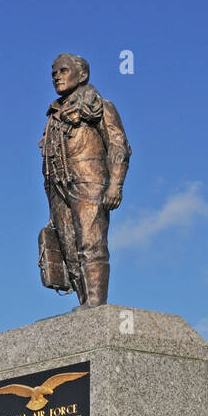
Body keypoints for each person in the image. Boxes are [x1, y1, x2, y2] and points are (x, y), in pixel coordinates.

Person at [39, 54, 130, 307]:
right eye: (54, 72)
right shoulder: (55, 115)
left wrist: (115, 184)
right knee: (69, 248)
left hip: (89, 180)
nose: (57, 75)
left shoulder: (100, 106)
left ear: (82, 76)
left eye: (63, 70)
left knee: (91, 243)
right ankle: (84, 304)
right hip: (58, 186)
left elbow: (119, 146)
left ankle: (95, 305)